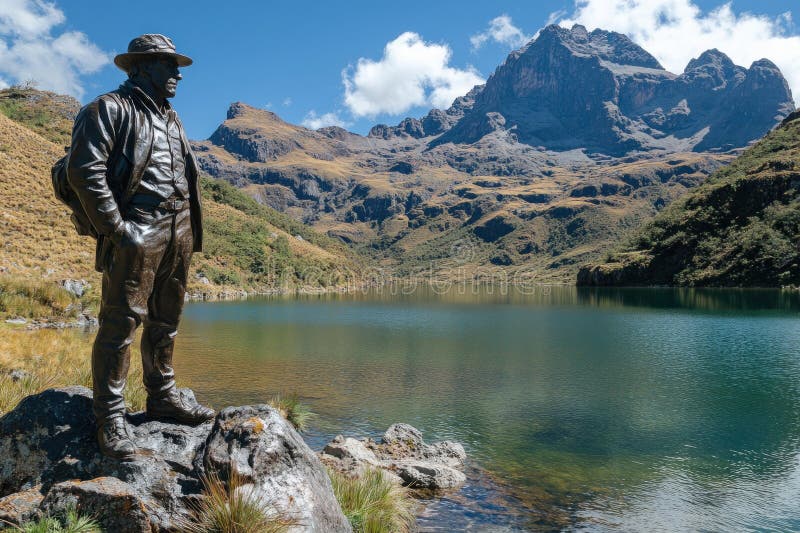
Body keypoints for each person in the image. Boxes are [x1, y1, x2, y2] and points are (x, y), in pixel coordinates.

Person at [67, 34, 214, 460]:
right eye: (169, 65)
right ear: (143, 66)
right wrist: (116, 229)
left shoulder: (172, 117)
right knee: (120, 323)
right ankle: (110, 417)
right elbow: (84, 170)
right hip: (138, 226)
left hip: (179, 227)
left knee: (166, 318)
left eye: (176, 66)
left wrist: (185, 227)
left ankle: (162, 396)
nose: (178, 74)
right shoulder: (108, 108)